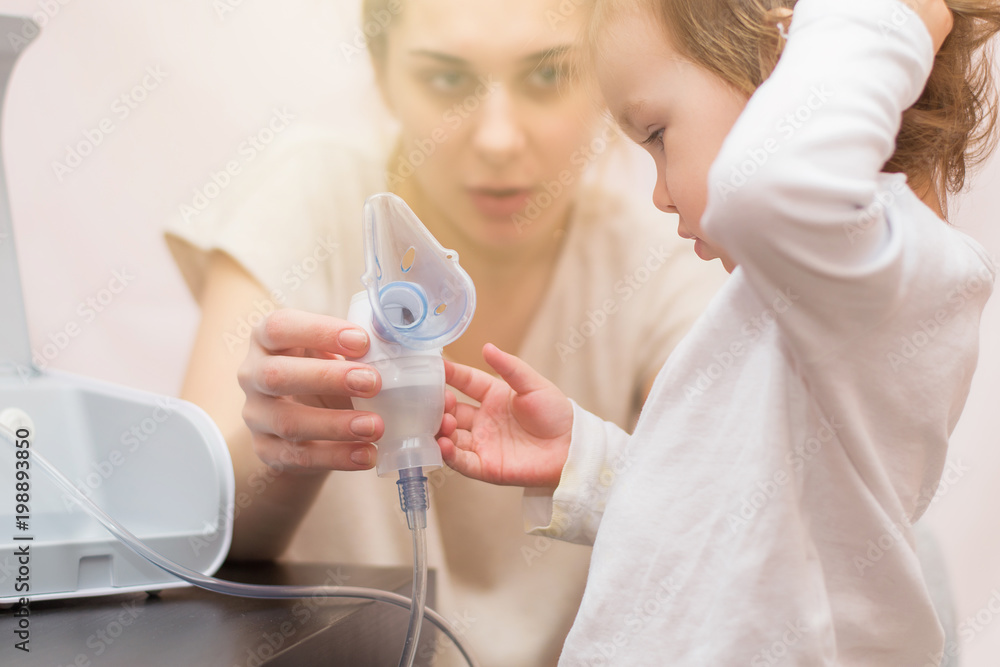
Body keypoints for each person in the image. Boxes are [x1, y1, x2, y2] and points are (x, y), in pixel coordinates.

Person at [436, 0, 1000, 663]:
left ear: (783, 64)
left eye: (656, 134)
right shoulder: (795, 295)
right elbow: (744, 527)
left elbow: (768, 184)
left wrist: (885, 13)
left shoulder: (888, 279)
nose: (660, 194)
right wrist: (589, 464)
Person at [164, 0, 726, 664]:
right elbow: (181, 542)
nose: (496, 137)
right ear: (383, 70)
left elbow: (729, 524)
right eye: (448, 80)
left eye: (546, 77)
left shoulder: (662, 265)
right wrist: (282, 451)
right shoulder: (309, 196)